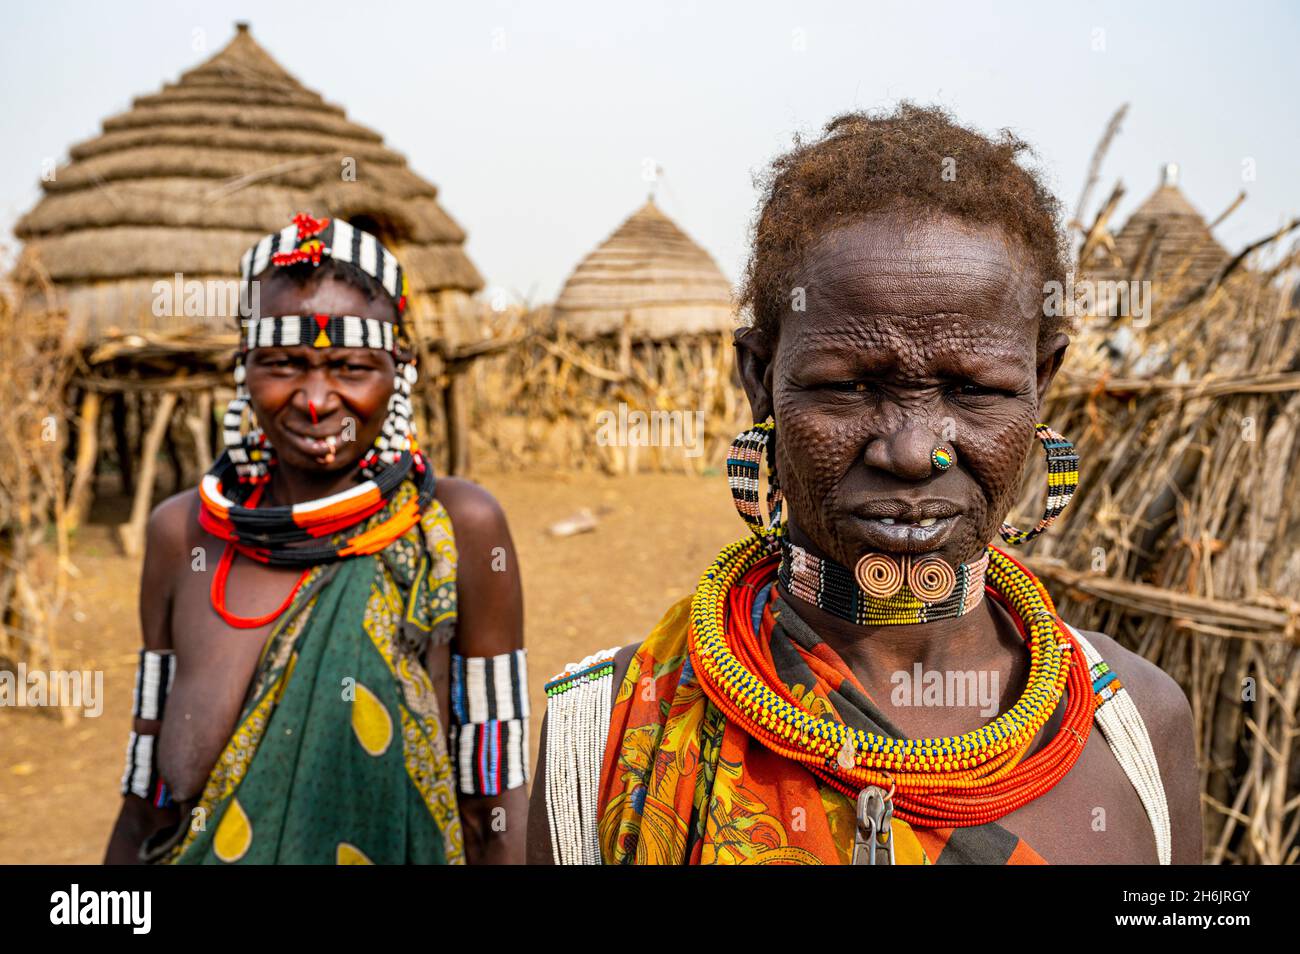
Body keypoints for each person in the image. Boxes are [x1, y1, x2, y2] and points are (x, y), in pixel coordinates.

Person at [529, 104, 1201, 865]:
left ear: (1042, 382)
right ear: (759, 378)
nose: (913, 452)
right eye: (848, 387)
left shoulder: (1138, 727)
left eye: (972, 391)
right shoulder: (607, 733)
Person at [106, 214, 527, 864]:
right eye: (283, 364)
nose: (315, 398)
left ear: (401, 372)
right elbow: (147, 802)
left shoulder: (458, 529)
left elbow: (496, 808)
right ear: (241, 368)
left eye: (352, 368)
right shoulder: (181, 535)